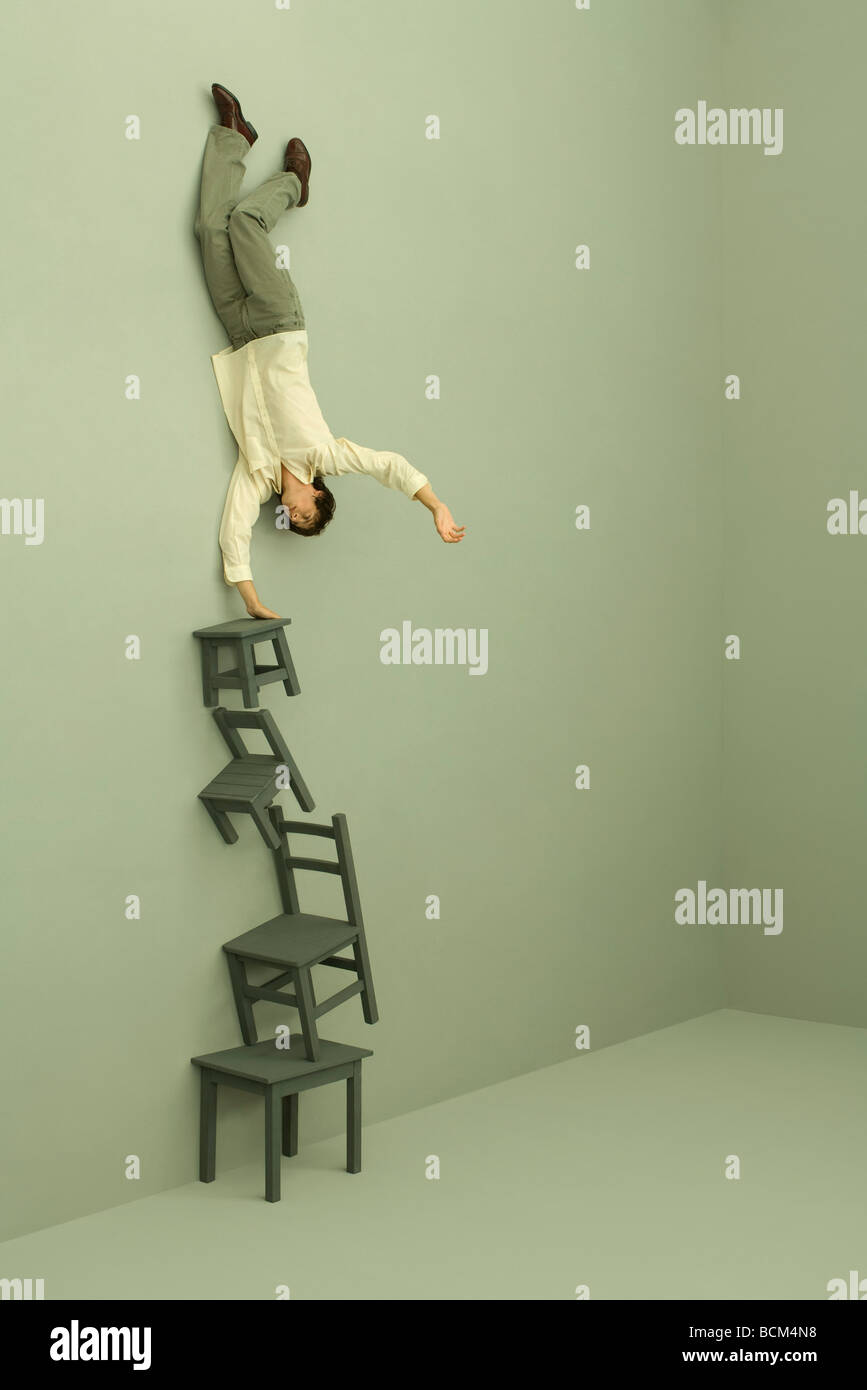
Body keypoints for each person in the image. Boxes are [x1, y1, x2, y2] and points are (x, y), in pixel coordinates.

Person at [194, 83, 465, 619]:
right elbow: (388, 466)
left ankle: (234, 136)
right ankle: (295, 183)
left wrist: (252, 600)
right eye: (304, 516)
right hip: (278, 323)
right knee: (245, 222)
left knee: (208, 228)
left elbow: (234, 527)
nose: (291, 516)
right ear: (318, 495)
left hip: (239, 332)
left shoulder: (256, 473)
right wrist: (435, 505)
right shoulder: (325, 455)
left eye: (292, 522)